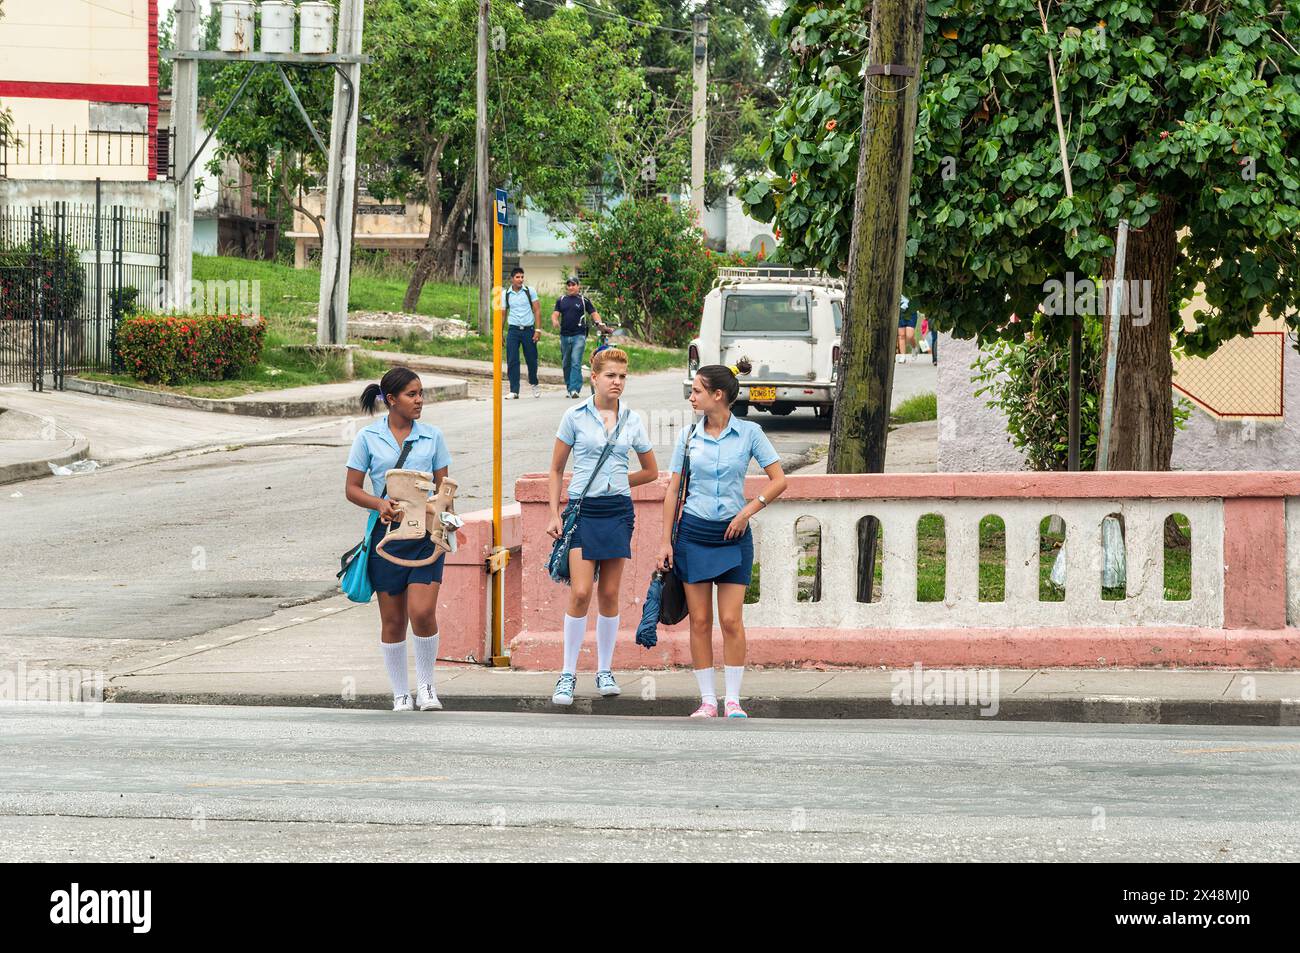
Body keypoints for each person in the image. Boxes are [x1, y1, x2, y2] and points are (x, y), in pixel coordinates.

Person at [657, 359, 787, 719]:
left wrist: (747, 511)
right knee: (699, 621)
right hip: (693, 534)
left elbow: (779, 480)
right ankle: (706, 701)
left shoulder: (750, 434)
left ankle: (733, 700)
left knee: (731, 620)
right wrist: (665, 542)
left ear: (718, 395)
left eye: (697, 390)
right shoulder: (687, 437)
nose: (692, 396)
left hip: (734, 537)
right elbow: (672, 491)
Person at [545, 347, 658, 705]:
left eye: (623, 376)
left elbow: (651, 471)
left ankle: (605, 670)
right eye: (611, 375)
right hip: (583, 511)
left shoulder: (632, 420)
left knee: (609, 593)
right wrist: (552, 513)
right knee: (580, 592)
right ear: (594, 377)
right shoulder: (574, 416)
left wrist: (619, 483)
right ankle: (567, 674)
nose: (617, 382)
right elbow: (556, 469)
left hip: (618, 511)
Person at [345, 366, 452, 712]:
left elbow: (444, 489)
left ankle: (426, 687)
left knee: (422, 612)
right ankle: (400, 693)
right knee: (392, 621)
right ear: (391, 400)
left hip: (425, 536)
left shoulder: (433, 436)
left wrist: (446, 523)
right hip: (385, 539)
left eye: (421, 393)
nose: (420, 400)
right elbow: (351, 489)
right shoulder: (367, 438)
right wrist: (379, 504)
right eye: (412, 394)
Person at [551, 276, 602, 398]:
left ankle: (575, 389)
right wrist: (555, 320)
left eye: (573, 285)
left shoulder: (584, 300)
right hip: (564, 336)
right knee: (566, 363)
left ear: (578, 286)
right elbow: (555, 314)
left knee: (575, 361)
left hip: (579, 335)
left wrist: (600, 324)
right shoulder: (561, 300)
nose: (571, 287)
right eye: (569, 285)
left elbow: (594, 314)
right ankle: (569, 388)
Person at [503, 266, 542, 398]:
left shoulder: (529, 291)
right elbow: (503, 314)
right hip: (513, 330)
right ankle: (514, 390)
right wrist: (500, 333)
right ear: (512, 279)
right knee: (512, 359)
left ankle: (534, 382)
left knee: (531, 359)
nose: (520, 279)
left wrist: (537, 330)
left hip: (528, 330)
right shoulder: (505, 294)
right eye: (517, 277)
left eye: (522, 277)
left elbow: (537, 310)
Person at [897, 294, 918, 363]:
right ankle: (903, 356)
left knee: (910, 335)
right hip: (901, 311)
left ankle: (914, 348)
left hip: (911, 311)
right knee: (901, 335)